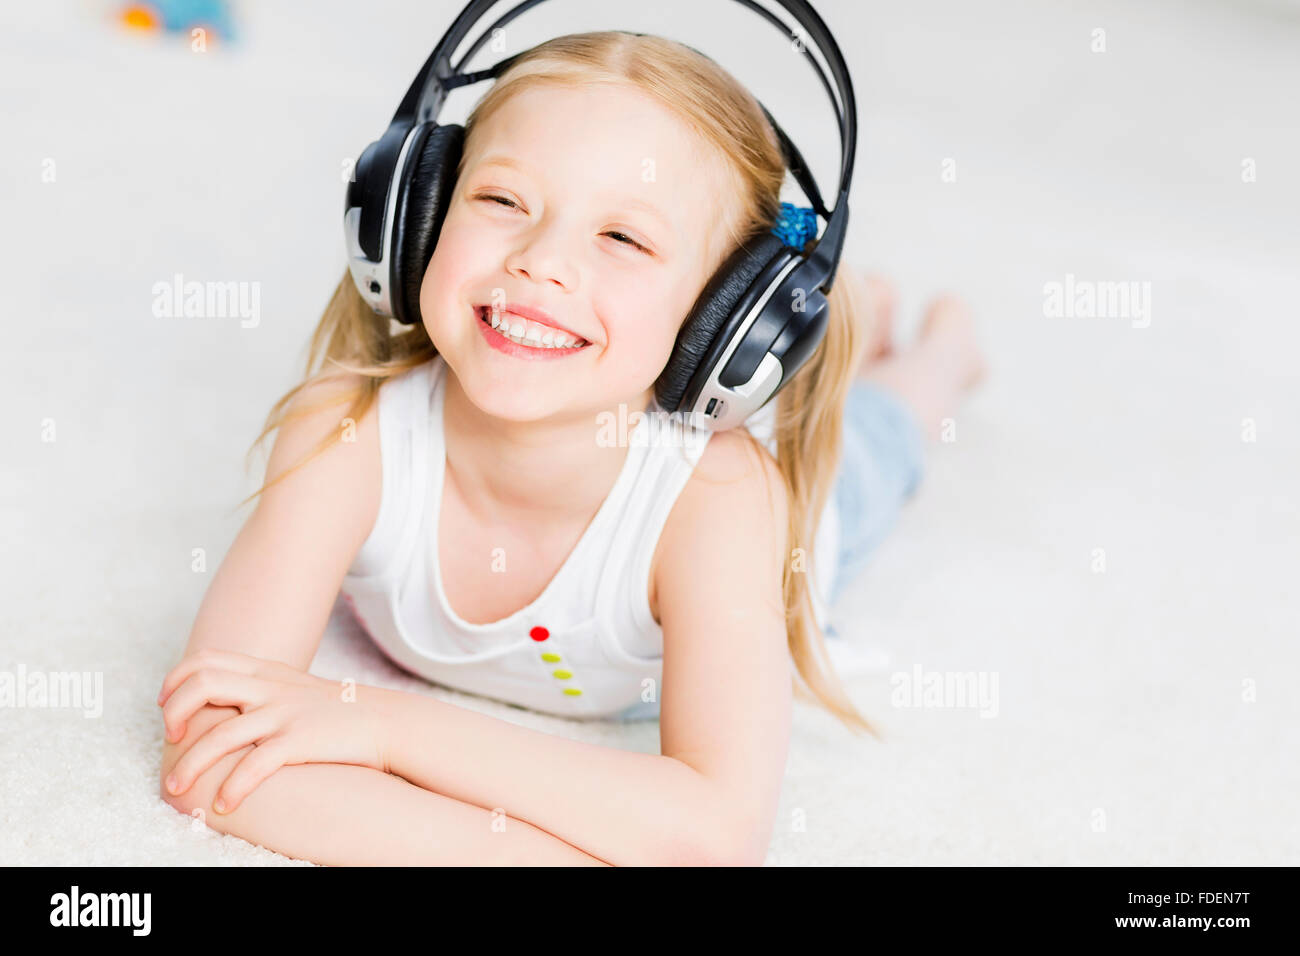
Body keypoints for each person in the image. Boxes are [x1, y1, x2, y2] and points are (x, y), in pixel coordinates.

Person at [156, 31, 985, 866]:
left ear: (724, 318)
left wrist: (375, 723)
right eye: (503, 201)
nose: (540, 262)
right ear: (418, 213)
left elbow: (715, 833)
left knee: (878, 444)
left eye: (623, 238)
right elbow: (215, 751)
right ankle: (874, 312)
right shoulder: (346, 428)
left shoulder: (722, 499)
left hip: (784, 516)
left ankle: (937, 358)